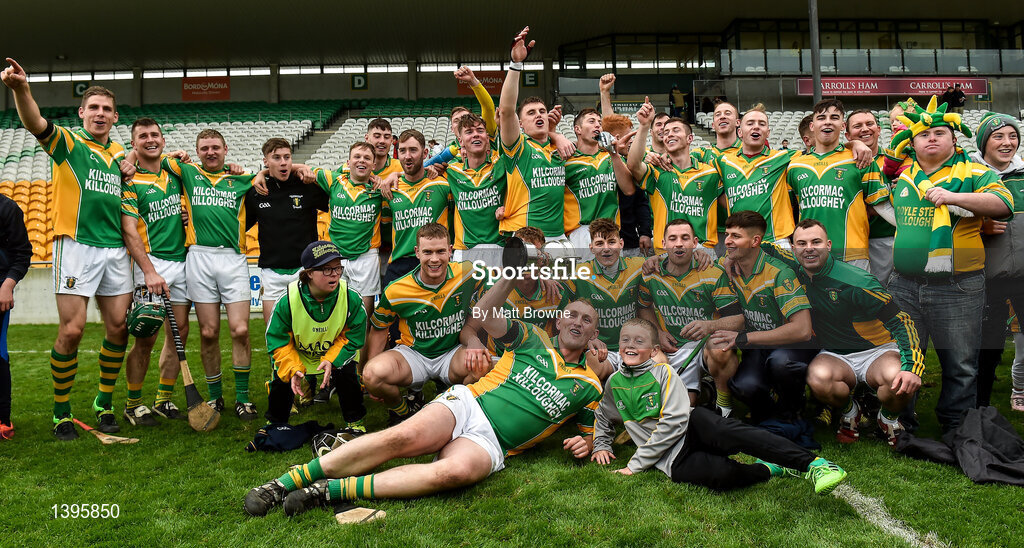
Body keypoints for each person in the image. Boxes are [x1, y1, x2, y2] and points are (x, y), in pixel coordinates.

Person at [243, 266, 604, 517]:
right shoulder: (532, 339)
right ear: (559, 320)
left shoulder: (590, 387)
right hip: (469, 405)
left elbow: (592, 435)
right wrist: (511, 274)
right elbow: (483, 312)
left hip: (493, 443)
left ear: (594, 335)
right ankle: (283, 483)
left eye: (587, 320)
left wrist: (587, 444)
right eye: (572, 315)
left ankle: (327, 491)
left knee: (452, 475)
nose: (577, 322)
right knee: (400, 438)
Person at [2, 58, 132, 439]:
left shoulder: (119, 152)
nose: (100, 113)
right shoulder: (69, 143)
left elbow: (143, 161)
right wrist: (22, 90)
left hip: (115, 249)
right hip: (76, 246)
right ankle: (61, 411)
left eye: (106, 109)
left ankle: (103, 404)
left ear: (115, 117)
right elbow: (35, 123)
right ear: (81, 113)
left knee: (118, 327)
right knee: (72, 331)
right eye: (94, 108)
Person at [592, 318, 847, 494]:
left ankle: (815, 465)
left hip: (692, 427)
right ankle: (769, 469)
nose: (630, 345)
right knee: (722, 476)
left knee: (735, 433)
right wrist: (602, 444)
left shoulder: (664, 373)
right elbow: (602, 415)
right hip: (670, 458)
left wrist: (635, 464)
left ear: (653, 350)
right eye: (625, 340)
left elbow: (674, 422)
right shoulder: (614, 383)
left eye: (639, 341)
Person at [884, 96, 1012, 432]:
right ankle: (901, 423)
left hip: (958, 286)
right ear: (912, 143)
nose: (931, 138)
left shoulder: (974, 172)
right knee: (904, 357)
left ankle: (957, 428)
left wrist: (953, 197)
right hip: (903, 283)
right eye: (924, 135)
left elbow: (1004, 203)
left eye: (939, 133)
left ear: (954, 140)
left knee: (960, 364)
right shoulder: (904, 175)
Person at [765, 220, 924, 446]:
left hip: (876, 352)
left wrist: (912, 367)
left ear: (829, 245)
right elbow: (760, 246)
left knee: (897, 381)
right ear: (793, 248)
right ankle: (851, 412)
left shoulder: (858, 281)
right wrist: (729, 257)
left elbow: (902, 321)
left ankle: (888, 418)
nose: (809, 248)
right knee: (818, 379)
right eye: (802, 243)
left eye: (816, 242)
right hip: (836, 354)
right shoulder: (796, 267)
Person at [163, 129, 259, 420]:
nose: (210, 152)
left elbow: (270, 171)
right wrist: (176, 154)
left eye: (215, 147)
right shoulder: (188, 172)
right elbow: (153, 158)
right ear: (197, 151)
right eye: (204, 148)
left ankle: (243, 398)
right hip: (199, 257)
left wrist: (238, 169)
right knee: (208, 332)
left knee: (240, 330)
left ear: (226, 149)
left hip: (232, 257)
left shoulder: (243, 178)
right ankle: (216, 397)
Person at [363, 223, 484, 425]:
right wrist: (370, 376)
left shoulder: (468, 272)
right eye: (428, 252)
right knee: (372, 374)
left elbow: (500, 282)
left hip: (451, 353)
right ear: (417, 252)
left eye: (440, 251)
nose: (434, 259)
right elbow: (379, 329)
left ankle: (453, 406)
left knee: (482, 364)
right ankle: (404, 411)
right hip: (414, 354)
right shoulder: (396, 290)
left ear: (450, 251)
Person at [708, 211, 814, 420]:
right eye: (727, 234)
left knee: (780, 364)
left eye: (736, 236)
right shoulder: (726, 265)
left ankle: (794, 405)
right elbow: (694, 267)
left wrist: (744, 337)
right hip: (757, 346)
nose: (727, 241)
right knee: (744, 387)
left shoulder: (780, 273)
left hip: (789, 345)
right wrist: (657, 260)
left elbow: (803, 330)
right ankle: (771, 409)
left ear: (755, 241)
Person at [120, 118, 191, 425]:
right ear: (134, 143)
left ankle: (163, 398)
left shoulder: (175, 172)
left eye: (155, 135)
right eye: (143, 136)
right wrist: (149, 272)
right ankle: (133, 403)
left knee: (180, 333)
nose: (150, 140)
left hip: (182, 262)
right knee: (145, 336)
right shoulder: (129, 180)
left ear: (163, 140)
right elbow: (129, 231)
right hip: (151, 264)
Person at [264, 241, 367, 431]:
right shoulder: (288, 300)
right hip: (298, 353)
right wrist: (293, 367)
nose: (335, 274)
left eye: (338, 268)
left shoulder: (350, 297)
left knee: (347, 371)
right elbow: (277, 341)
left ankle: (355, 422)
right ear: (309, 273)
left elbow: (354, 337)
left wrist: (332, 360)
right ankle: (275, 424)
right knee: (281, 375)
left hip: (335, 351)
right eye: (327, 269)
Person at [638, 220, 743, 406]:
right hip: (672, 347)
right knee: (683, 407)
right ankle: (704, 393)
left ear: (695, 243)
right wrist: (658, 333)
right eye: (673, 238)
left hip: (703, 346)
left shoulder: (712, 272)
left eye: (685, 238)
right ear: (663, 243)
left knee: (720, 347)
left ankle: (724, 405)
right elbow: (644, 307)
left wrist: (710, 326)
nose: (679, 243)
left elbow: (739, 319)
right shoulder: (651, 273)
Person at [497, 26, 575, 251]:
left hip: (559, 237)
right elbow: (506, 110)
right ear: (520, 124)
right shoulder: (518, 148)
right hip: (526, 236)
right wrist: (516, 64)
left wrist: (556, 134)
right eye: (531, 113)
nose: (538, 115)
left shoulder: (559, 148)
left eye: (542, 111)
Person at [788, 99, 889, 271]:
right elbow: (789, 210)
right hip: (810, 254)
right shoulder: (795, 165)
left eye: (834, 117)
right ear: (812, 126)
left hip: (853, 254)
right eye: (821, 118)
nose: (827, 122)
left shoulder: (861, 159)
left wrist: (910, 229)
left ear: (842, 126)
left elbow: (882, 206)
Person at [971, 112, 1024, 408]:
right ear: (984, 143)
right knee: (987, 348)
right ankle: (979, 408)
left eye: (1013, 136)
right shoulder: (970, 175)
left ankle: (1019, 390)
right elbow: (949, 220)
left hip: (1023, 276)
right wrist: (980, 226)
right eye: (998, 136)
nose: (1007, 142)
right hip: (985, 278)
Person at [246, 138, 328, 327]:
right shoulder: (257, 191)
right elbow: (240, 225)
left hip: (304, 272)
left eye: (287, 157)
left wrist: (303, 167)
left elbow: (337, 196)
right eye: (276, 158)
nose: (283, 162)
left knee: (308, 332)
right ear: (266, 161)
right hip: (272, 273)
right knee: (274, 332)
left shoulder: (306, 185)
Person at [625, 98, 723, 252]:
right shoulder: (657, 172)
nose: (669, 134)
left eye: (676, 130)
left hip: (702, 251)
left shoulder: (711, 174)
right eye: (666, 132)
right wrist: (644, 125)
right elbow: (633, 165)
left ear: (690, 138)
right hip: (665, 251)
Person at [318, 142, 384, 342]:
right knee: (332, 319)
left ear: (373, 165)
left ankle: (361, 363)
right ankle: (334, 360)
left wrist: (389, 178)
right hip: (335, 258)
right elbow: (301, 169)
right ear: (348, 162)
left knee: (363, 319)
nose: (361, 161)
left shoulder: (380, 189)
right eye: (357, 157)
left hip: (366, 258)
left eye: (367, 158)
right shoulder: (333, 180)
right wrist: (263, 173)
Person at [564, 219, 644, 369]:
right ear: (591, 248)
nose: (606, 248)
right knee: (591, 367)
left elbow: (668, 263)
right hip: (600, 349)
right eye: (600, 243)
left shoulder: (638, 266)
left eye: (611, 242)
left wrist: (656, 259)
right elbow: (561, 313)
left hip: (634, 346)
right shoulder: (577, 273)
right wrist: (587, 339)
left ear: (621, 244)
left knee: (661, 361)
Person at [381, 129, 453, 288]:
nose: (407, 156)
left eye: (413, 150)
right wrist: (396, 174)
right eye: (402, 151)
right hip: (399, 264)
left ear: (425, 153)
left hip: (434, 262)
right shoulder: (390, 189)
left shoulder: (443, 185)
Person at [564, 108, 627, 260]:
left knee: (614, 275)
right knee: (584, 275)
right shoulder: (566, 161)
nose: (597, 125)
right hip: (581, 231)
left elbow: (629, 189)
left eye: (599, 122)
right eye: (591, 121)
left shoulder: (612, 157)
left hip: (611, 231)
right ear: (577, 129)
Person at [447, 113, 506, 266]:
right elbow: (418, 172)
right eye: (469, 132)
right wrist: (396, 174)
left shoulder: (502, 165)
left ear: (487, 137)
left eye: (480, 130)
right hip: (464, 250)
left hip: (499, 247)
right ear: (460, 140)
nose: (475, 135)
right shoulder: (451, 171)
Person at [845, 109, 894, 285]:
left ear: (879, 130)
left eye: (869, 124)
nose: (865, 129)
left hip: (885, 238)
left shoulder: (895, 159)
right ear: (847, 135)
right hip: (850, 243)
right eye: (857, 126)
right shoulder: (842, 163)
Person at [0, 190, 31, 439]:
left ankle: (3, 420)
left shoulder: (8, 208)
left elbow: (22, 253)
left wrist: (7, 285)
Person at [425, 67, 498, 168]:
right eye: (456, 121)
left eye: (465, 118)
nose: (461, 122)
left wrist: (473, 81)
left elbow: (488, 107)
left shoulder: (485, 135)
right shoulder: (448, 154)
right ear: (452, 129)